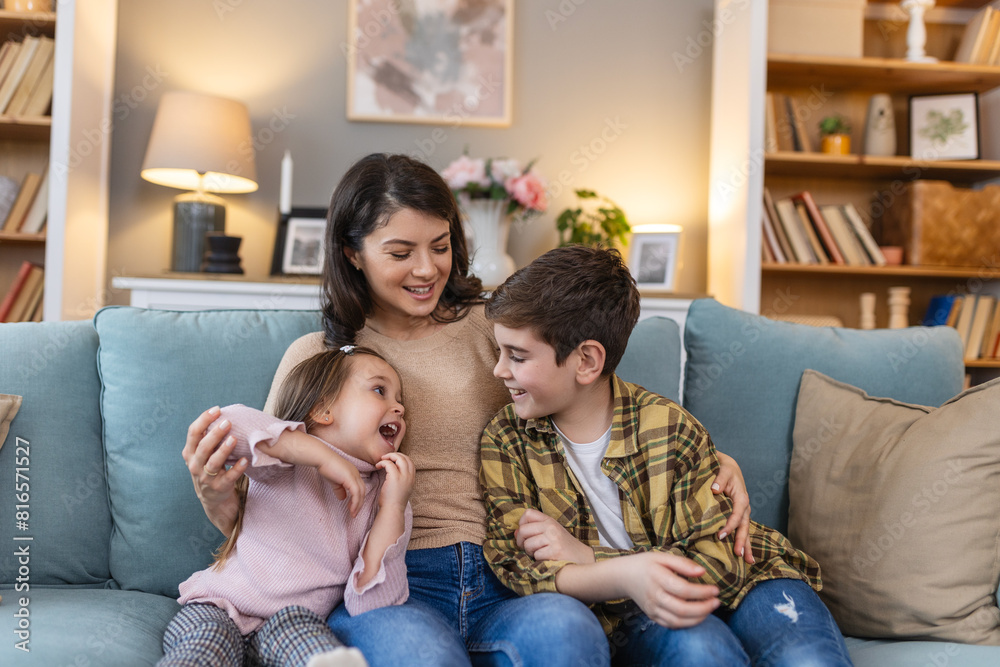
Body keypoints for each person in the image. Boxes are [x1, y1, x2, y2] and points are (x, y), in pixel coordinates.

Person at [182, 153, 755, 666]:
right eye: (400, 252)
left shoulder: (494, 326)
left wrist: (712, 461)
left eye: (440, 245)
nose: (427, 269)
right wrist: (218, 498)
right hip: (393, 582)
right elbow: (276, 518)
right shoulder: (320, 358)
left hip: (511, 571)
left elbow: (595, 399)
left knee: (567, 636)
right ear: (352, 254)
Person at [479, 245, 853, 666]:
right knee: (700, 651)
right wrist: (621, 577)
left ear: (586, 361)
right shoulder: (507, 440)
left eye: (517, 356)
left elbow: (716, 562)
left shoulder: (669, 427)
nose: (499, 370)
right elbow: (513, 564)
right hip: (637, 613)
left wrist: (590, 559)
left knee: (809, 661)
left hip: (753, 579)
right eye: (500, 352)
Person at [163, 346, 413, 667]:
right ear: (323, 409)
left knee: (319, 651)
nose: (399, 408)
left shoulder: (386, 495)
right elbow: (220, 425)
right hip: (218, 607)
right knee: (207, 644)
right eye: (379, 390)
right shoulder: (286, 456)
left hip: (292, 621)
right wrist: (320, 456)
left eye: (400, 400)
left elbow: (371, 605)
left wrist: (393, 508)